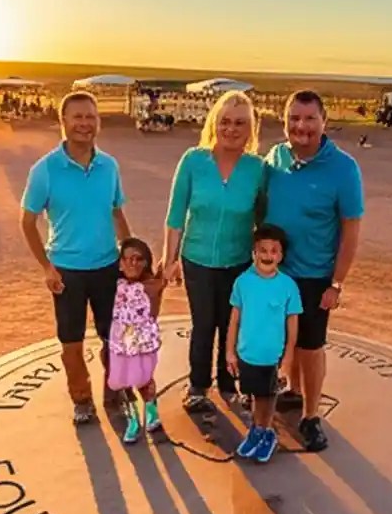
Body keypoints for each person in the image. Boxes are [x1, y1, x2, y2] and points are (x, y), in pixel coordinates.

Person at [20, 91, 134, 425]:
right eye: (78, 117)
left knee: (113, 336)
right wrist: (46, 267)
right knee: (71, 342)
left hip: (107, 266)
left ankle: (115, 392)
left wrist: (129, 255)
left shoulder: (109, 166)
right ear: (64, 122)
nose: (85, 124)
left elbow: (116, 212)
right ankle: (81, 399)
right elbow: (28, 222)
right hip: (67, 272)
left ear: (98, 122)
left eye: (90, 117)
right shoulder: (45, 170)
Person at [260, 90, 365, 452]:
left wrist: (337, 282)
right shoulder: (274, 157)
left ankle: (310, 415)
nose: (300, 127)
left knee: (309, 346)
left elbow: (351, 228)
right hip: (275, 272)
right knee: (279, 340)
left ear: (323, 120)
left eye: (308, 119)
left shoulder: (344, 168)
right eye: (293, 118)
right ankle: (292, 391)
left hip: (314, 275)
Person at [160, 91, 266, 412]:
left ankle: (228, 383)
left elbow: (264, 220)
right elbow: (175, 215)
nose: (231, 129)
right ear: (214, 123)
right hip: (198, 259)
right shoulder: (193, 161)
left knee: (231, 323)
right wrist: (170, 259)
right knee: (204, 323)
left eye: (239, 123)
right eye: (225, 122)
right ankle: (198, 385)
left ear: (250, 129)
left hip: (238, 262)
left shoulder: (258, 169)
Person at [226, 224, 302, 464]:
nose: (268, 256)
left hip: (273, 356)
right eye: (263, 250)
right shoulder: (242, 282)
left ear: (281, 256)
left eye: (274, 251)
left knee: (268, 397)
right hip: (248, 353)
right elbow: (234, 320)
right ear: (254, 252)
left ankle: (264, 431)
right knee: (255, 393)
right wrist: (230, 351)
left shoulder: (288, 286)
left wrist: (288, 360)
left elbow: (292, 325)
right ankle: (259, 430)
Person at [107, 237, 166, 444]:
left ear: (146, 262)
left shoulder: (153, 285)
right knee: (124, 382)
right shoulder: (114, 285)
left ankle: (151, 410)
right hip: (121, 344)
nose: (133, 263)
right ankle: (132, 418)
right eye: (128, 259)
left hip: (143, 343)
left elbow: (168, 267)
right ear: (120, 263)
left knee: (145, 378)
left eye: (139, 258)